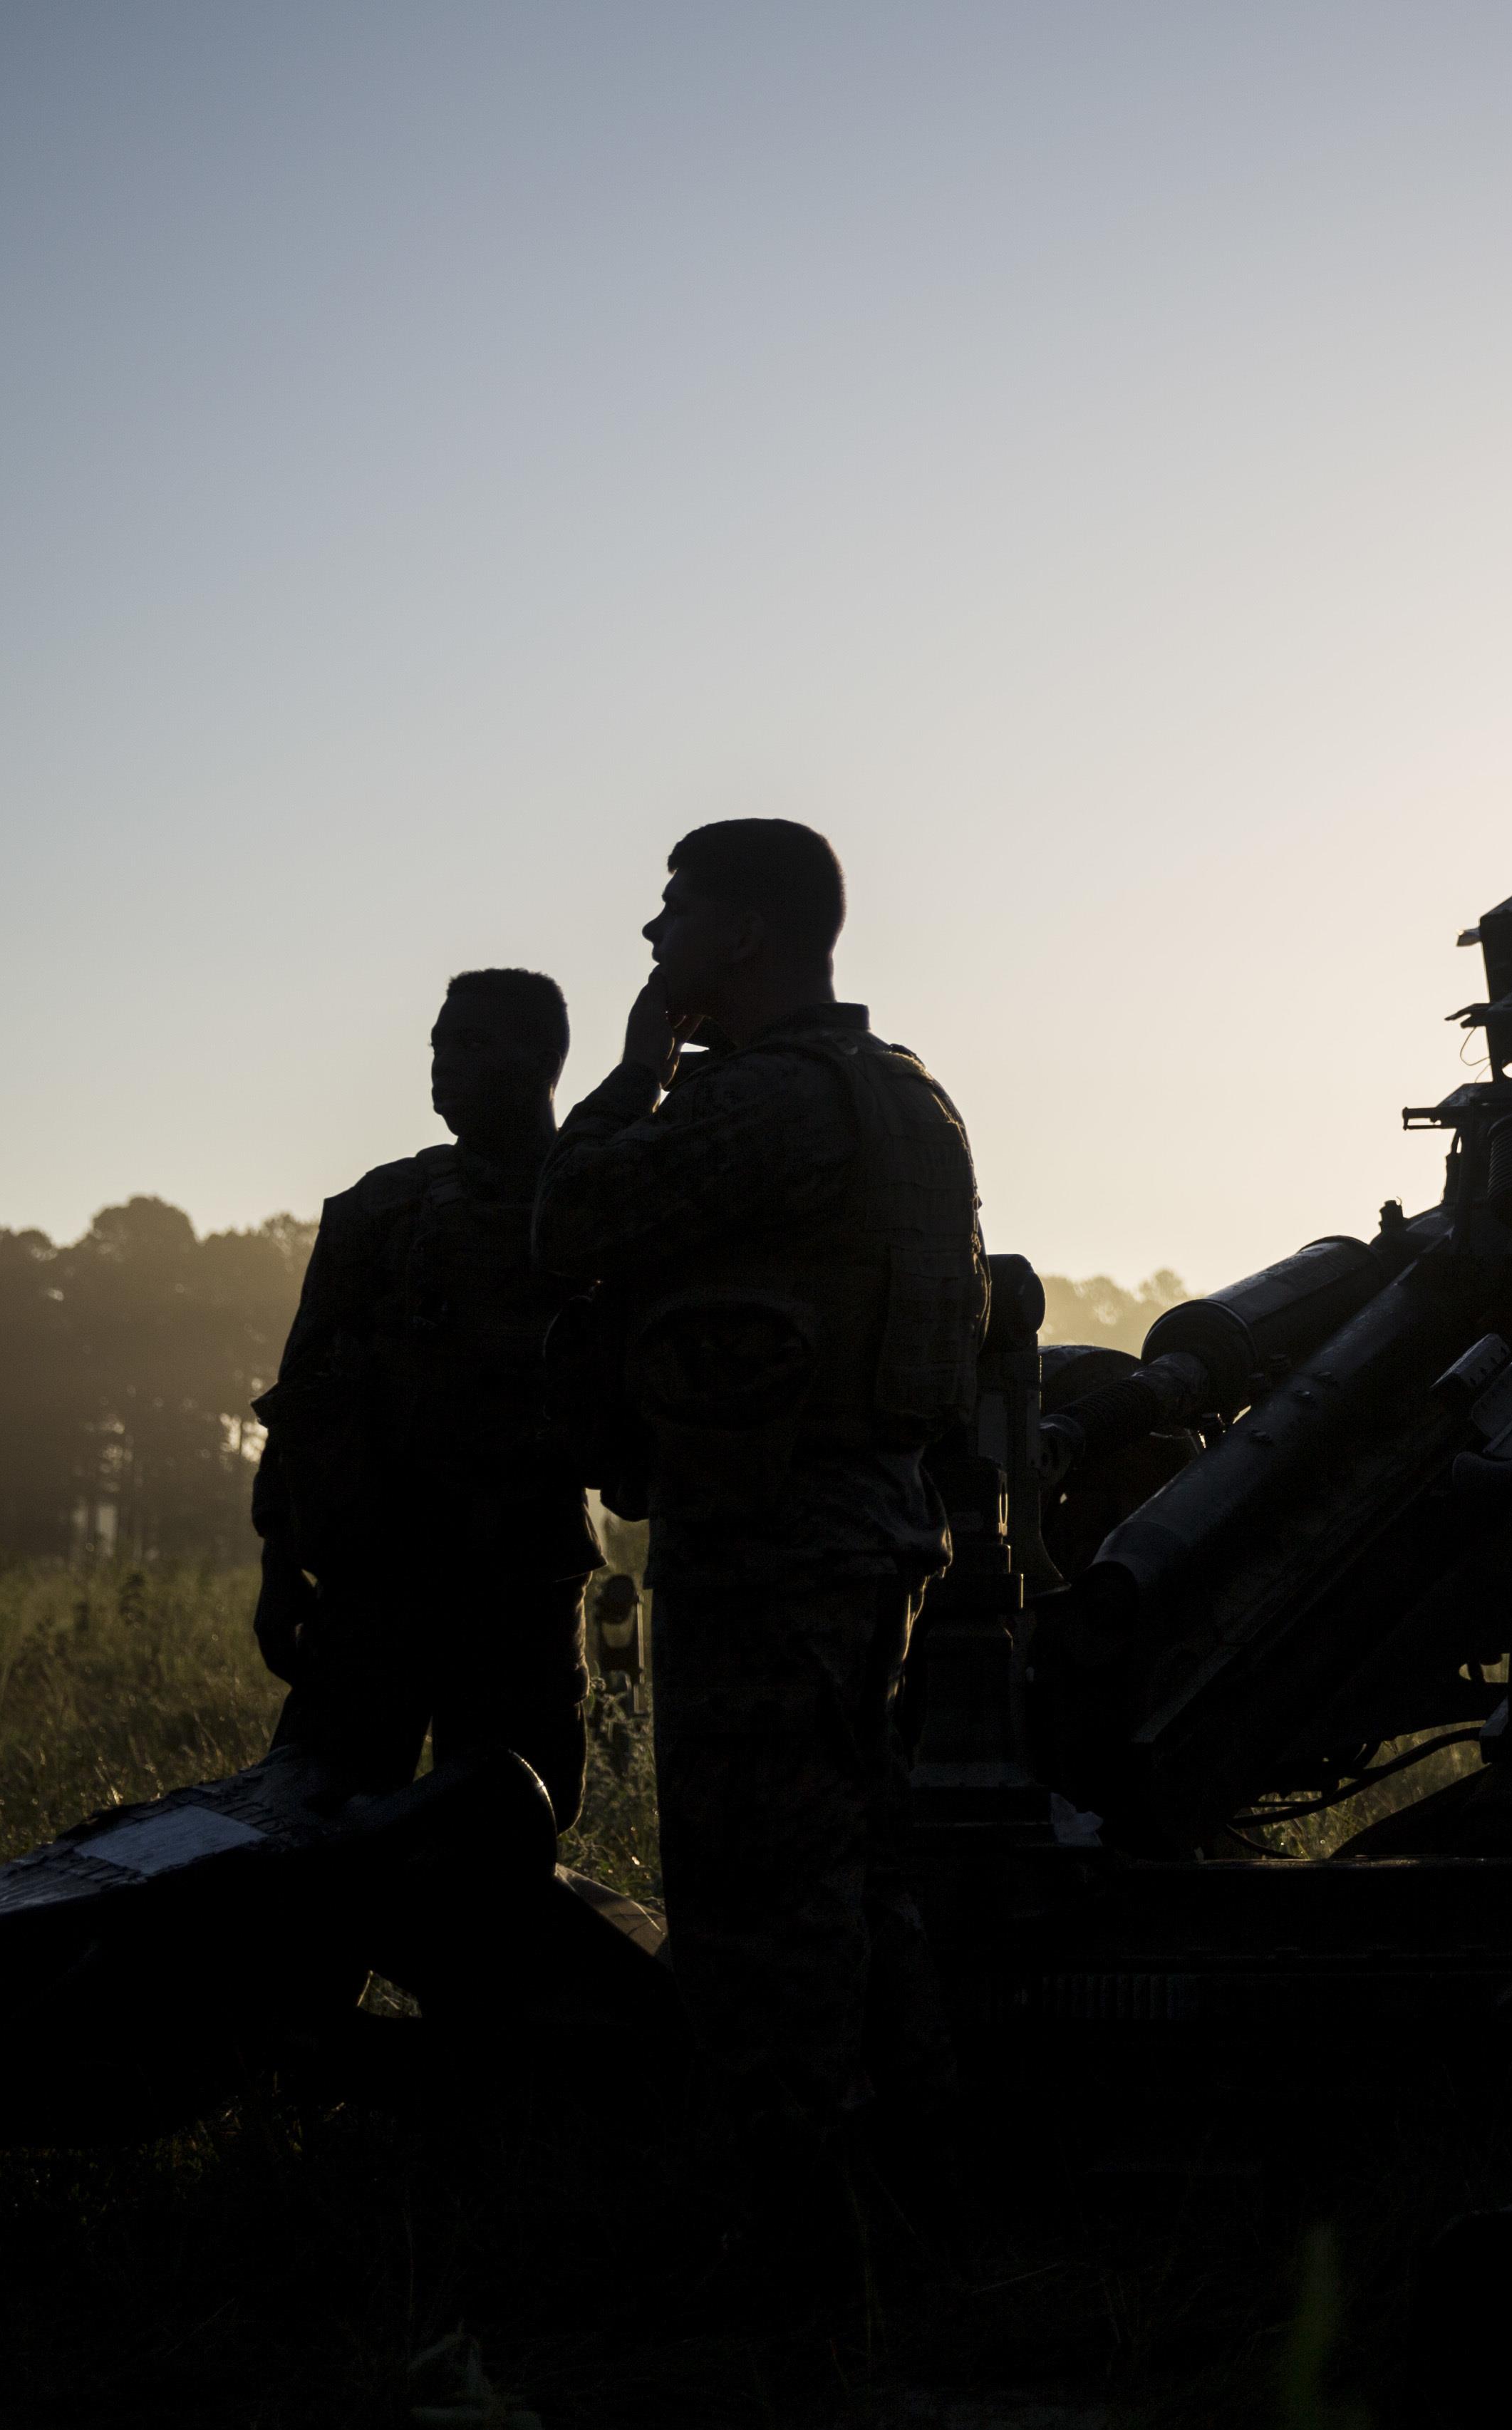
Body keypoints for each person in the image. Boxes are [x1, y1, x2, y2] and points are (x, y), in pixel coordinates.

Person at [532, 817, 985, 2190]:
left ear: (744, 935)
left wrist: (627, 1073)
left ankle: (784, 2226)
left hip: (770, 1549)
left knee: (746, 1897)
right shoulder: (907, 1094)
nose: (652, 936)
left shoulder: (764, 1100)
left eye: (674, 911)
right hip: (872, 1534)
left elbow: (567, 1223)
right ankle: (913, 2185)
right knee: (854, 1875)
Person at [251, 969, 600, 1826]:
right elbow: (305, 1401)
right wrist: (278, 1568)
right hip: (376, 1590)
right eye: (439, 1043)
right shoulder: (381, 1205)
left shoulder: (599, 1206)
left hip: (521, 1589)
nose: (443, 1064)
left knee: (504, 1849)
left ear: (540, 1061)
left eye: (472, 1043)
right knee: (310, 1842)